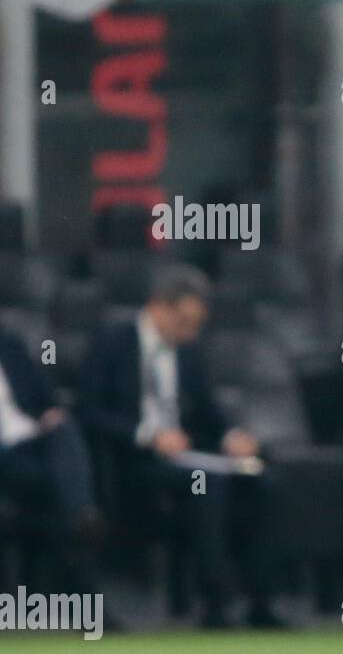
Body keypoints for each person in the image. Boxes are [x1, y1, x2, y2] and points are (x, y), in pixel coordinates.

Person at [77, 265, 281, 629]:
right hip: (132, 461)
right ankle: (216, 604)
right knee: (207, 482)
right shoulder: (112, 339)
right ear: (158, 306)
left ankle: (261, 603)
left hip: (188, 458)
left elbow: (207, 410)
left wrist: (230, 437)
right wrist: (147, 435)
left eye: (196, 324)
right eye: (184, 322)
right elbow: (89, 410)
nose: (190, 332)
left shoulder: (188, 352)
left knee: (262, 481)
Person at [0, 327, 104, 588]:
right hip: (6, 455)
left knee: (64, 428)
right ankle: (81, 514)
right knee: (62, 489)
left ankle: (81, 514)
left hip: (32, 439)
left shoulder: (9, 343)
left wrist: (49, 411)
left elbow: (44, 393)